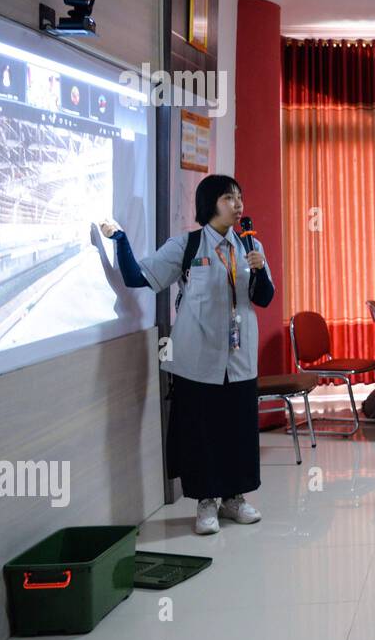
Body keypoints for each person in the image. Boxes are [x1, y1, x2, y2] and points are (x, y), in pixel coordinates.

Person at [99, 175, 274, 535]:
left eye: (240, 197)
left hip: (240, 360)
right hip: (197, 359)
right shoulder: (187, 245)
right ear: (211, 202)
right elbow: (138, 277)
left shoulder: (249, 245)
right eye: (229, 198)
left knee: (238, 431)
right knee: (203, 432)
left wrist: (258, 268)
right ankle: (205, 503)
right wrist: (119, 239)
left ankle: (234, 498)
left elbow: (265, 297)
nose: (238, 204)